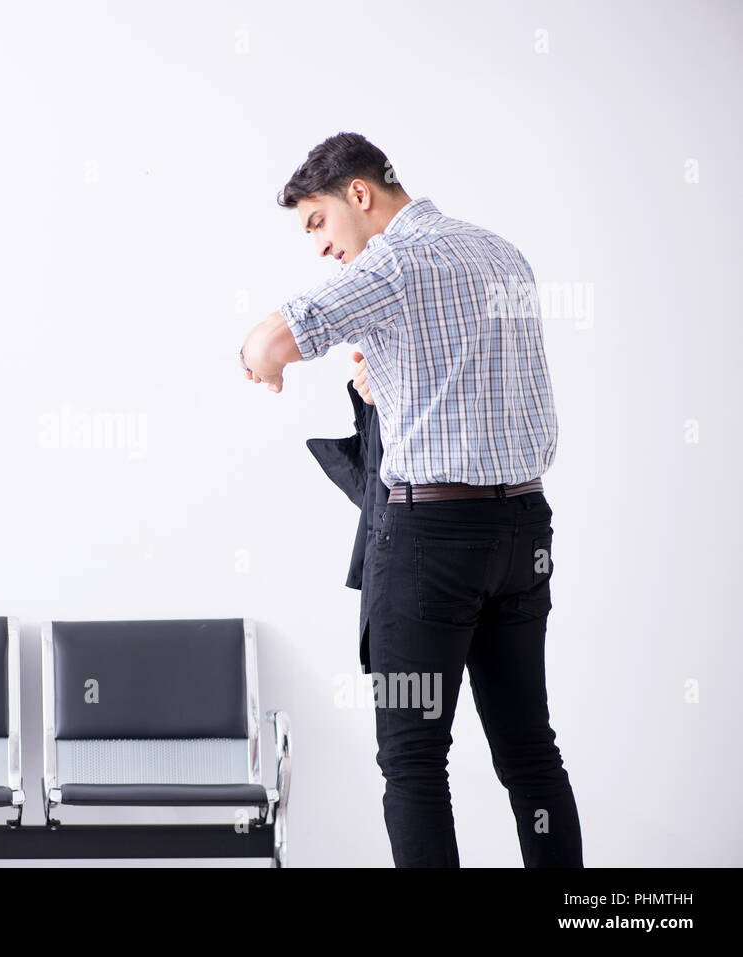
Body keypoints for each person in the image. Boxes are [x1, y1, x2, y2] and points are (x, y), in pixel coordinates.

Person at [238, 132, 582, 867]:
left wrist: (256, 361)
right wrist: (386, 385)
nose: (321, 246)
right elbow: (480, 384)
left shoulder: (394, 260)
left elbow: (278, 337)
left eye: (318, 222)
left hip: (432, 541)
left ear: (358, 194)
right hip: (524, 531)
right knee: (529, 751)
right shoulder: (501, 252)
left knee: (415, 759)